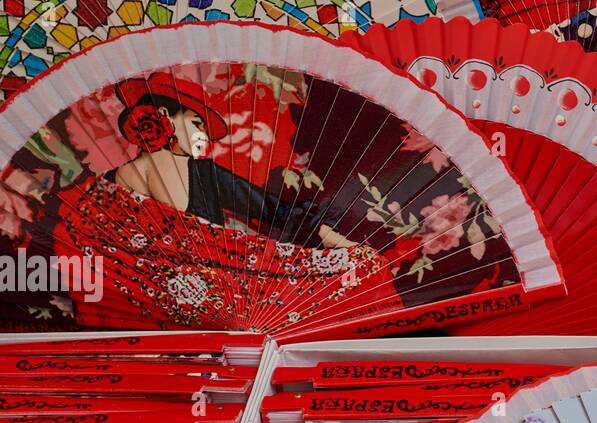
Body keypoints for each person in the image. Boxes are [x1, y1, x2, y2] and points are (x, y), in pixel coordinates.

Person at [49, 72, 397, 331]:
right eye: (197, 123)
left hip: (183, 308)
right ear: (165, 120)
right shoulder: (181, 174)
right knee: (357, 269)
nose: (202, 136)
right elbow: (273, 212)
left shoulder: (105, 190)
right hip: (211, 303)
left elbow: (269, 210)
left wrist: (327, 236)